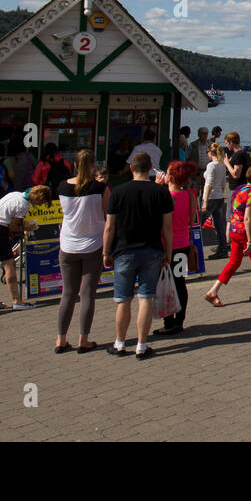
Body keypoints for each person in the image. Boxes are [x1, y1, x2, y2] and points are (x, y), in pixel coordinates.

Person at [102, 152, 173, 359]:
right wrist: (167, 252)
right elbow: (167, 227)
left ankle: (120, 343)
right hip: (152, 250)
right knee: (146, 297)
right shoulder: (161, 192)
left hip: (124, 251)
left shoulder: (118, 192)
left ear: (131, 168)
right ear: (151, 166)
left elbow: (109, 226)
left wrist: (106, 251)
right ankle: (142, 345)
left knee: (123, 299)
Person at [55, 150, 110, 353]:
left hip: (68, 244)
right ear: (93, 165)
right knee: (87, 294)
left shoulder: (61, 186)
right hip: (92, 245)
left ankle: (60, 339)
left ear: (75, 165)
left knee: (67, 294)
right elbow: (108, 216)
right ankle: (83, 339)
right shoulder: (100, 188)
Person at [204, 165, 251, 305]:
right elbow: (247, 218)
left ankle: (213, 290)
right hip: (245, 232)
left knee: (234, 262)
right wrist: (250, 240)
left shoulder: (239, 189)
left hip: (234, 230)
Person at [0, 185, 49, 311]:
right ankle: (17, 301)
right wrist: (26, 228)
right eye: (40, 202)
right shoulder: (24, 205)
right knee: (9, 265)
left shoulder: (15, 194)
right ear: (38, 197)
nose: (39, 205)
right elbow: (13, 227)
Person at [158, 160, 199, 334]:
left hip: (164, 246)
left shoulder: (164, 197)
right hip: (183, 244)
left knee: (165, 285)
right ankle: (179, 321)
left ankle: (168, 321)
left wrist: (158, 187)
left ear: (171, 177)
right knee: (180, 282)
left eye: (167, 172)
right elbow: (191, 220)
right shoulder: (189, 196)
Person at [202, 142, 229, 259]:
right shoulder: (222, 165)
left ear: (210, 152)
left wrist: (204, 202)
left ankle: (193, 247)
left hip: (211, 197)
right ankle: (223, 249)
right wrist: (221, 196)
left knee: (198, 223)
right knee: (219, 225)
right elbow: (223, 184)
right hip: (219, 197)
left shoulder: (211, 165)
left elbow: (209, 184)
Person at [223, 131, 251, 197]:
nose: (226, 146)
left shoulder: (239, 154)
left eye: (226, 143)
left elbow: (236, 175)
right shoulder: (242, 152)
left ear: (231, 142)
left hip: (237, 189)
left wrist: (226, 163)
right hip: (241, 187)